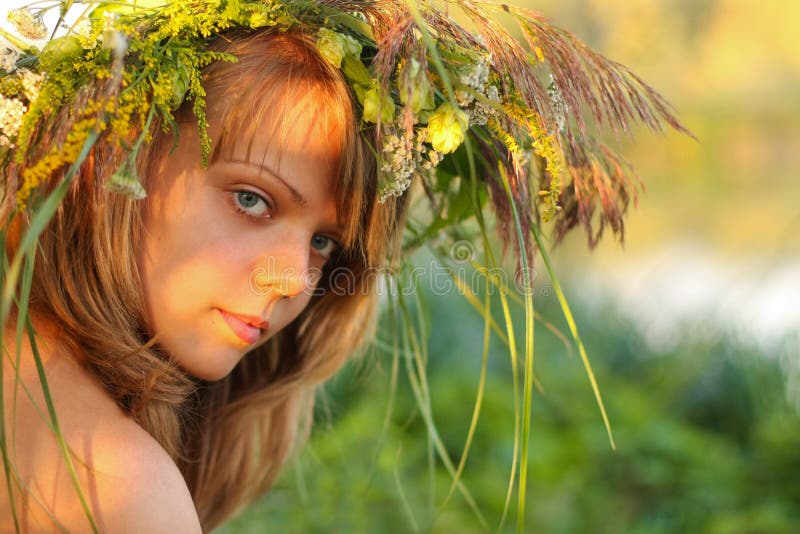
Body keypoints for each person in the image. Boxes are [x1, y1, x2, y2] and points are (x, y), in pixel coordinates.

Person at [0, 0, 685, 531]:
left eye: (325, 243)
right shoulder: (118, 488)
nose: (295, 279)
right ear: (107, 160)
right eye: (252, 200)